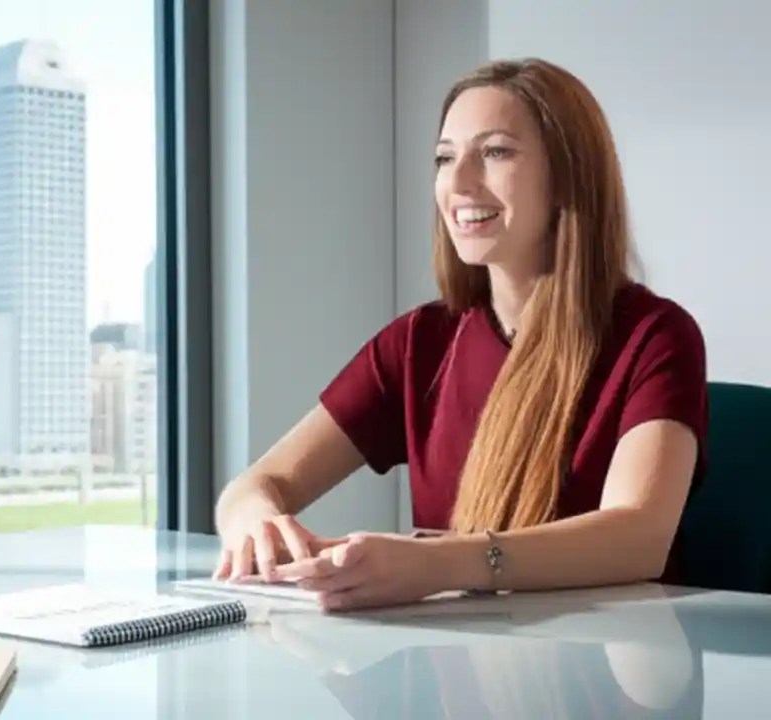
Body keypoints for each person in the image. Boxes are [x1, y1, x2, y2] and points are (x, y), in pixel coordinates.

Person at [213, 58, 708, 612]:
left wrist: (433, 562)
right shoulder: (418, 343)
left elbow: (638, 538)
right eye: (445, 158)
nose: (459, 182)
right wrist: (254, 518)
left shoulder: (655, 337)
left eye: (495, 152)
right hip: (456, 670)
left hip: (611, 670)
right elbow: (257, 484)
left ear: (569, 177)